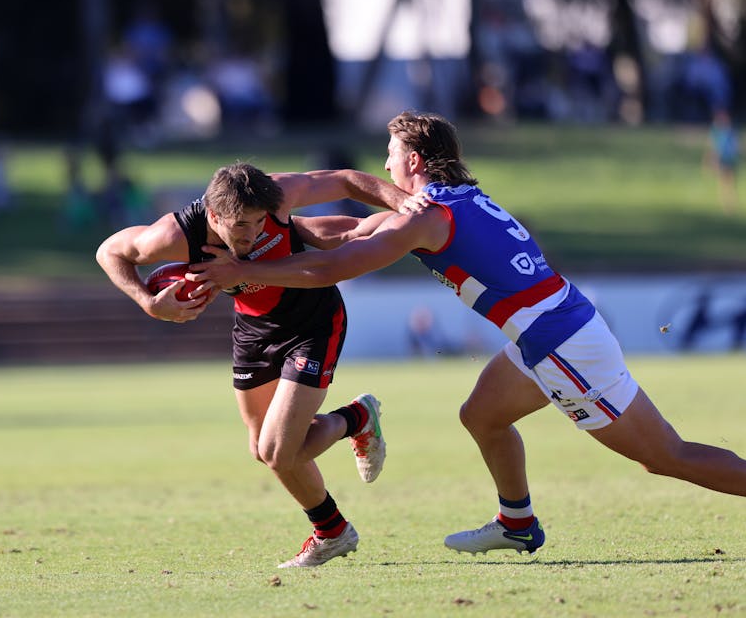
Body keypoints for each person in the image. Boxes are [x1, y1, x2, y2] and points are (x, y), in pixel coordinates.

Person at [188, 111, 746, 556]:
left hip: (562, 345)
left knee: (665, 456)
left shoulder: (426, 215)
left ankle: (518, 519)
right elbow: (353, 232)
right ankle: (517, 523)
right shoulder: (456, 199)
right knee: (481, 415)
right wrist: (276, 236)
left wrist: (243, 272)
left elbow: (337, 268)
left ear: (411, 160)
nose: (385, 170)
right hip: (550, 332)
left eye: (389, 159)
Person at [96, 162, 414, 568]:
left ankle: (354, 422)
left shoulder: (277, 196)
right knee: (260, 448)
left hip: (312, 322)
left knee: (278, 451)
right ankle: (335, 529)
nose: (254, 232)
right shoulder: (176, 235)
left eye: (260, 221)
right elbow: (110, 251)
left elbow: (345, 180)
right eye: (241, 225)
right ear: (213, 216)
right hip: (254, 329)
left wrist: (407, 201)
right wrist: (148, 302)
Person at [705, 109, 739, 214]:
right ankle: (728, 203)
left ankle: (728, 203)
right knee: (726, 182)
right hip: (726, 159)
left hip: (727, 159)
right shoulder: (722, 131)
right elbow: (715, 147)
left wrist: (713, 159)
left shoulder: (726, 131)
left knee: (727, 182)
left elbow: (719, 147)